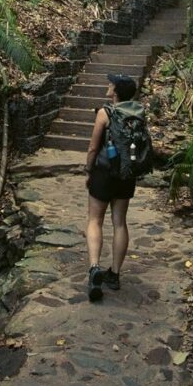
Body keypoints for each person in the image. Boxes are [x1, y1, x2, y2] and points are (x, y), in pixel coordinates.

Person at [83, 72, 147, 302]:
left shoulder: (105, 113)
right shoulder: (139, 112)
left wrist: (88, 170)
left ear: (116, 91)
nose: (109, 85)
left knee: (95, 220)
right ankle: (115, 274)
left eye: (112, 84)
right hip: (125, 175)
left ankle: (94, 268)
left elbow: (93, 147)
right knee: (119, 222)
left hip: (103, 172)